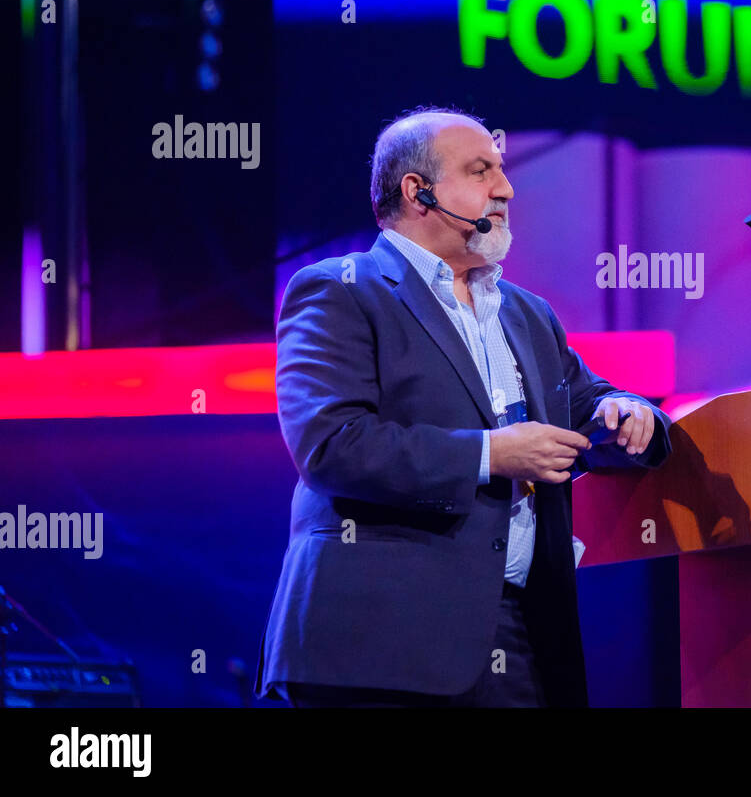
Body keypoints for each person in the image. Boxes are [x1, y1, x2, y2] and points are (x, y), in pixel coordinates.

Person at [253, 107, 672, 707]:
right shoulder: (340, 288)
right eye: (481, 171)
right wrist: (490, 455)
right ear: (418, 192)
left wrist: (629, 412)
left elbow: (587, 401)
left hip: (522, 640)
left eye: (500, 170)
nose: (505, 187)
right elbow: (331, 445)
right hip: (380, 647)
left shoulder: (527, 312)